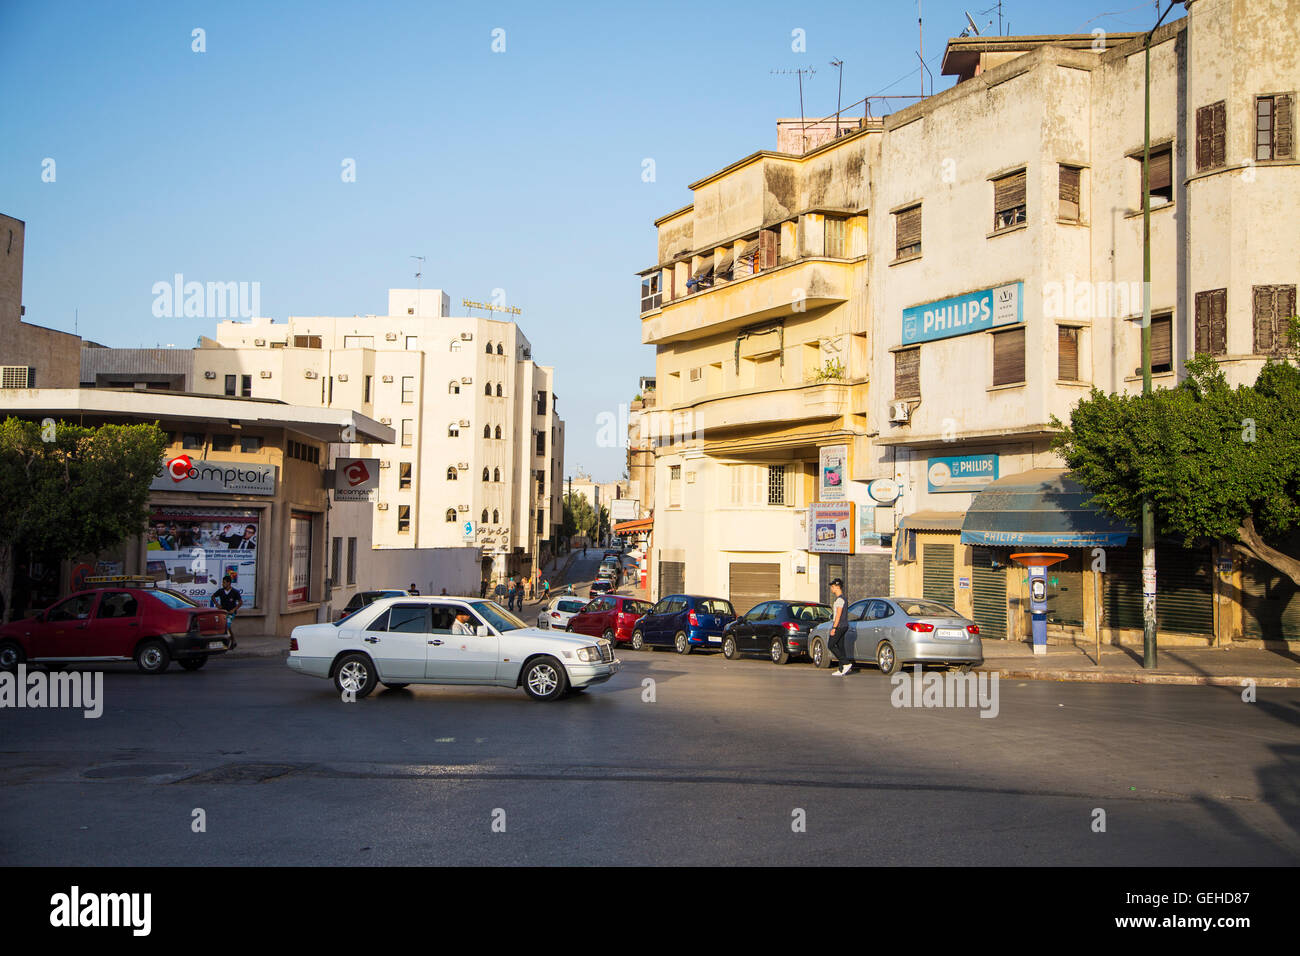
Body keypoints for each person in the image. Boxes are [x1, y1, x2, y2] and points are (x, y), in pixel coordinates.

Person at [827, 578, 852, 676]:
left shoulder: (840, 600)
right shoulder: (842, 599)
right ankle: (841, 669)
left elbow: (838, 615)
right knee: (841, 647)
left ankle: (846, 663)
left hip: (840, 626)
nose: (831, 588)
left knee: (831, 645)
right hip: (843, 625)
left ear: (837, 587)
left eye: (832, 586)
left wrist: (834, 628)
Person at [210, 575, 243, 646]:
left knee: (226, 626)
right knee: (226, 627)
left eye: (224, 582)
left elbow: (240, 602)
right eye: (222, 582)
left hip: (230, 612)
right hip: (223, 612)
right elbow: (213, 597)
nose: (223, 584)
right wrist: (217, 604)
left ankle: (227, 642)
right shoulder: (221, 591)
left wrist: (233, 609)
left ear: (229, 583)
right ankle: (233, 641)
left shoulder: (235, 592)